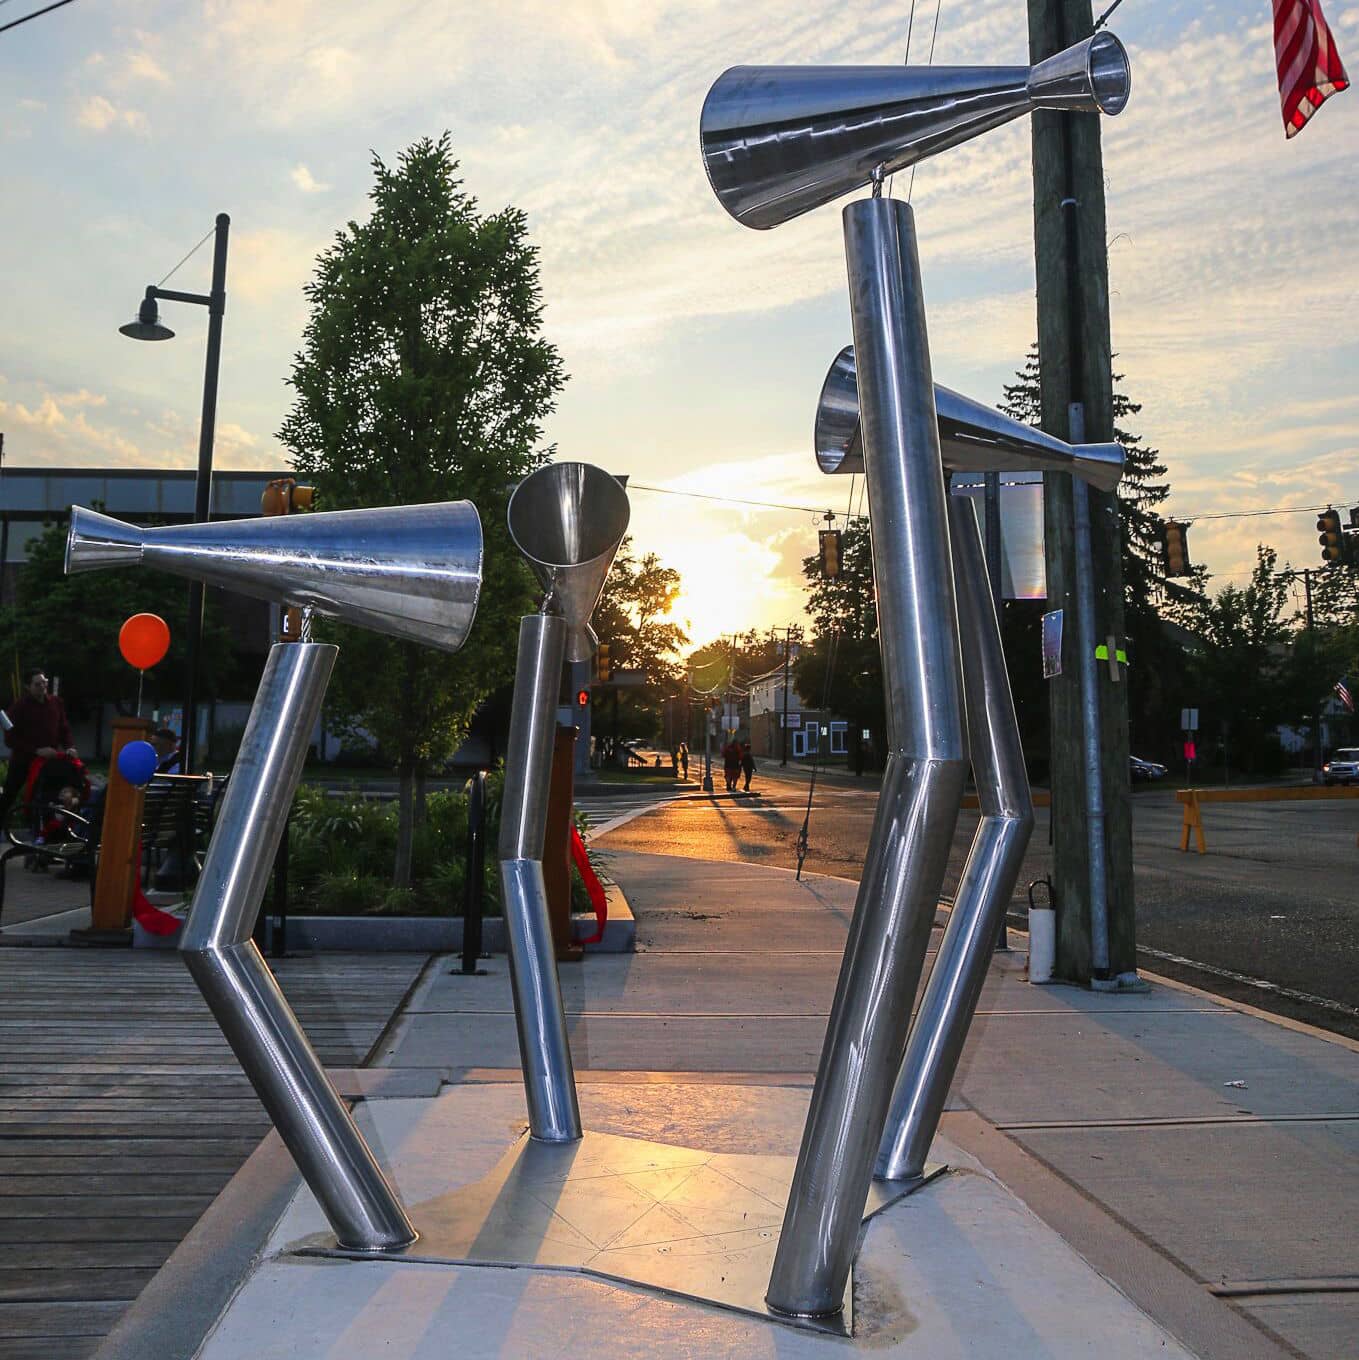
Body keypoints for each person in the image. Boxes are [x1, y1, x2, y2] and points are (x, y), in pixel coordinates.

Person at [0, 670, 76, 830]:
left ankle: (41, 832)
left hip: (47, 762)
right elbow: (10, 739)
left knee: (45, 797)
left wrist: (69, 746)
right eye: (37, 684)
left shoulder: (56, 703)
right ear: (28, 686)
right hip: (23, 760)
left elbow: (64, 728)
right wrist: (36, 750)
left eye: (44, 682)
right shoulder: (19, 707)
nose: (42, 686)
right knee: (9, 795)